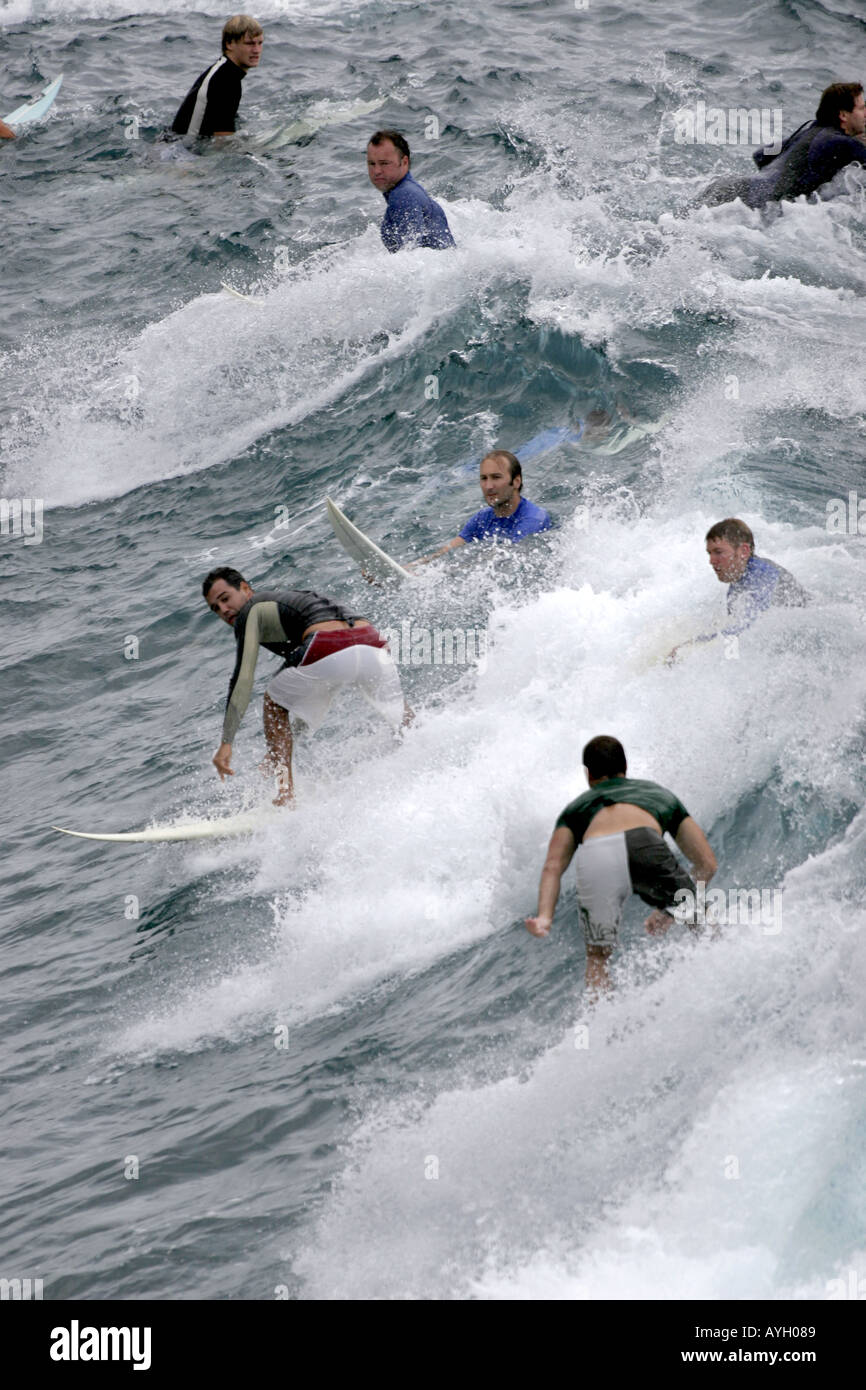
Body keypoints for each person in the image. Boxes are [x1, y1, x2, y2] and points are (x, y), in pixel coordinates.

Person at [526, 736, 717, 993]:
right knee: (701, 920)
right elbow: (707, 864)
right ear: (625, 767)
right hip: (644, 843)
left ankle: (601, 1023)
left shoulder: (576, 808)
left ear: (589, 774)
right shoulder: (657, 794)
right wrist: (674, 909)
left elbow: (552, 867)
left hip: (596, 855)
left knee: (597, 957)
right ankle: (727, 977)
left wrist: (545, 917)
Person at [203, 567, 407, 805]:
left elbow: (243, 678)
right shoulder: (286, 603)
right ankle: (418, 738)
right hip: (373, 641)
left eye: (225, 599)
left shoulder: (250, 611)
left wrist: (226, 743)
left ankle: (284, 794)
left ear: (246, 589)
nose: (224, 610)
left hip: (327, 644)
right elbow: (321, 680)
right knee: (399, 714)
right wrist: (280, 748)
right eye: (215, 609)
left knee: (273, 702)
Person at [701, 82, 866, 208]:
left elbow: (761, 155)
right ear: (843, 115)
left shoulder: (810, 132)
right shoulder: (842, 143)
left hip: (731, 186)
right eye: (862, 108)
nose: (865, 113)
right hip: (753, 200)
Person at [668, 518, 810, 661]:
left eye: (718, 552)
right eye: (710, 553)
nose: (711, 561)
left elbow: (751, 628)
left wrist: (694, 646)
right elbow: (736, 627)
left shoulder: (762, 576)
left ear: (743, 551)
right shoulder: (738, 583)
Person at [414, 451, 551, 565]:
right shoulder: (482, 518)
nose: (488, 486)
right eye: (484, 478)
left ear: (516, 482)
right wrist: (416, 567)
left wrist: (449, 571)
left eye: (496, 477)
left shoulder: (533, 518)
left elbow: (507, 558)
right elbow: (447, 551)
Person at [168, 14, 263, 143]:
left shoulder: (223, 72)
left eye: (260, 43)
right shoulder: (226, 81)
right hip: (180, 156)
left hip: (174, 146)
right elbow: (223, 144)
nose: (257, 50)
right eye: (249, 44)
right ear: (229, 44)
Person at [366, 129, 455, 252]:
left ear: (404, 162)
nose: (377, 171)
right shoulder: (408, 190)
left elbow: (409, 257)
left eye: (384, 163)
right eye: (372, 163)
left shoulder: (403, 195)